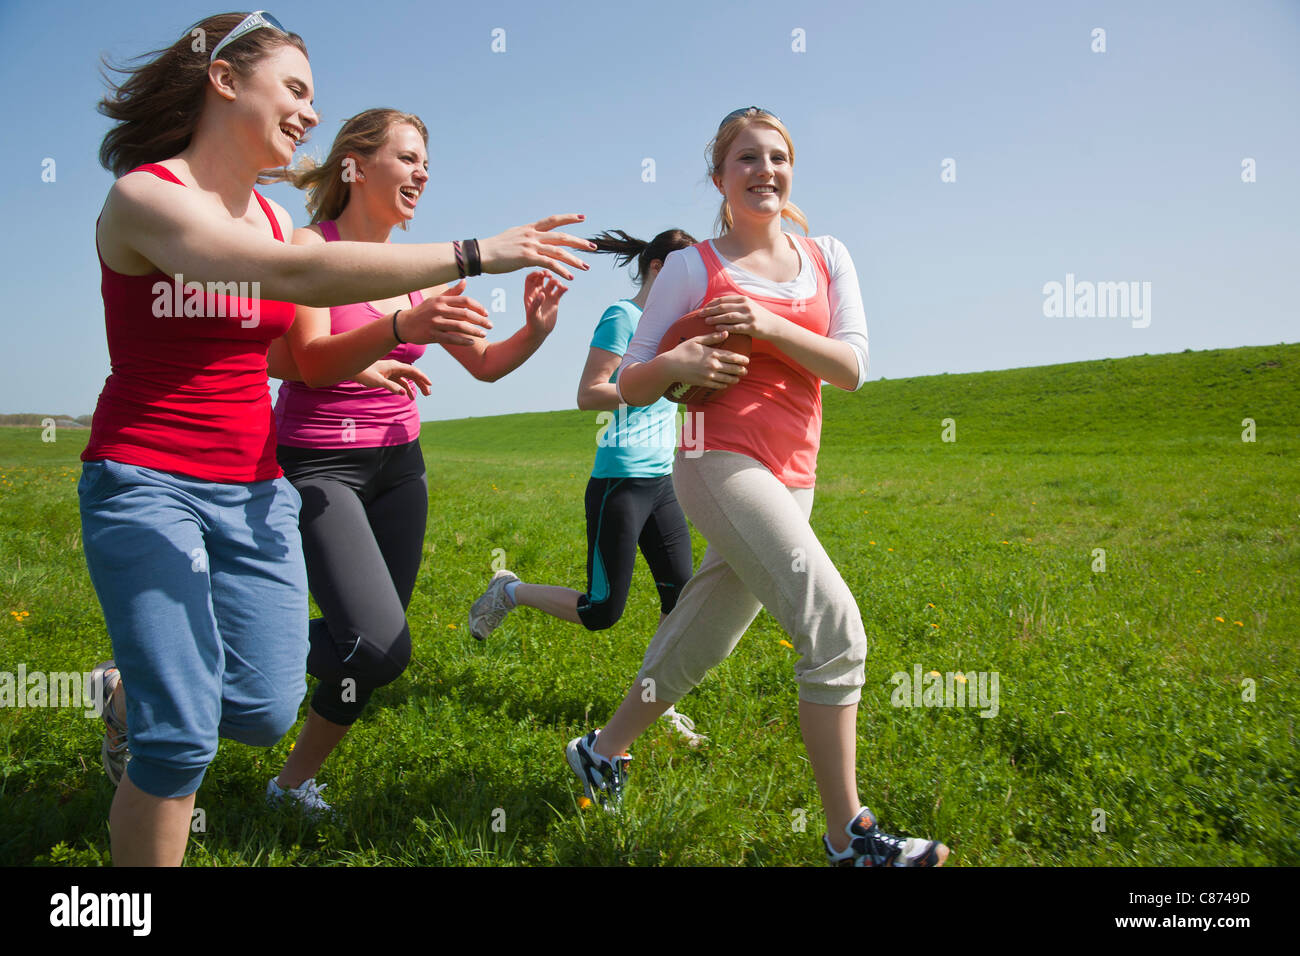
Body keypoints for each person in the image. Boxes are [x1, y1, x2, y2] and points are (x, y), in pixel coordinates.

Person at [83, 10, 592, 866]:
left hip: (254, 487)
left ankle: (130, 693)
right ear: (223, 79)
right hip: (148, 477)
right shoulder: (146, 198)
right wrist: (470, 257)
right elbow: (291, 279)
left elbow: (292, 354)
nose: (310, 114)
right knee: (181, 747)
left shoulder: (276, 222)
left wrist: (385, 352)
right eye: (295, 89)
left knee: (261, 708)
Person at [563, 108, 949, 866]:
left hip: (792, 472)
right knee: (834, 629)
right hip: (715, 459)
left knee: (701, 637)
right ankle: (852, 842)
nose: (764, 169)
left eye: (777, 156)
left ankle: (601, 751)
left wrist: (769, 327)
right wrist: (683, 366)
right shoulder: (689, 266)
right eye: (746, 158)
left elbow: (851, 367)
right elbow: (631, 381)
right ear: (720, 177)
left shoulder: (827, 255)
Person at [263, 108, 568, 812]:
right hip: (318, 465)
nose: (422, 172)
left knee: (367, 648)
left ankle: (290, 783)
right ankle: (204, 659)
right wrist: (397, 327)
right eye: (406, 158)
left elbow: (487, 366)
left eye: (426, 162)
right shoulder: (312, 246)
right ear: (355, 166)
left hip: (400, 468)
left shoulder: (419, 269)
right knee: (377, 647)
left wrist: (537, 331)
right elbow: (305, 363)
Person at [468, 229, 705, 746]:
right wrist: (659, 374)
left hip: (661, 481)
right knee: (602, 611)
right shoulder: (624, 316)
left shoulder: (678, 329)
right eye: (688, 273)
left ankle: (656, 705)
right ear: (660, 270)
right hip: (619, 480)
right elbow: (589, 393)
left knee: (679, 600)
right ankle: (508, 591)